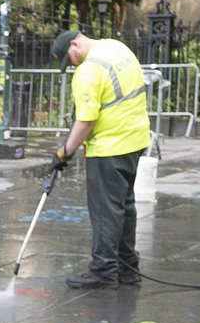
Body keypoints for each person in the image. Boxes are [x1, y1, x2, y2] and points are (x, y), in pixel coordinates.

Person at [54, 30, 151, 289]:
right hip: (135, 141)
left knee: (105, 211)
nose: (72, 64)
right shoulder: (118, 48)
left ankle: (104, 270)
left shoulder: (88, 71)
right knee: (125, 207)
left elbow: (85, 120)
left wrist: (65, 152)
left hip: (108, 147)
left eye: (69, 58)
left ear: (75, 43)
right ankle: (128, 267)